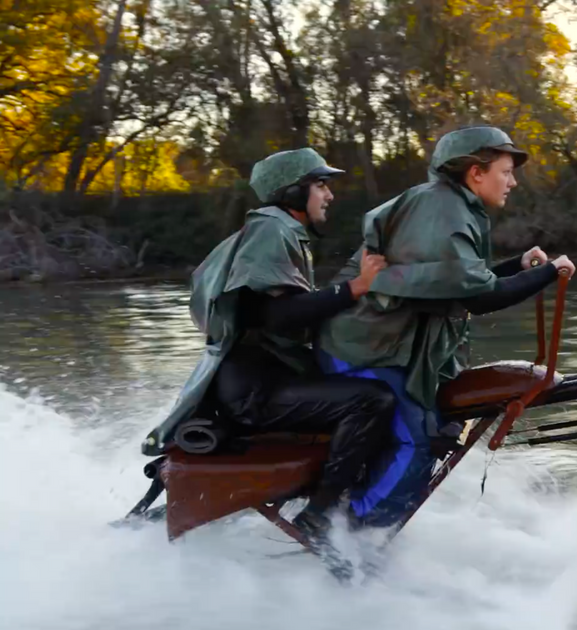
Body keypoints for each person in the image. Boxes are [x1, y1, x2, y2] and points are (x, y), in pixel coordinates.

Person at [316, 126, 576, 528]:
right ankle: (354, 535)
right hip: (362, 350)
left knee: (435, 433)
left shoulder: (446, 204)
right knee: (417, 442)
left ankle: (359, 520)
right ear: (476, 173)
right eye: (506, 172)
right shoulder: (444, 211)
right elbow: (478, 298)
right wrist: (549, 273)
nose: (512, 182)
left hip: (380, 346)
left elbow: (455, 283)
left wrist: (518, 267)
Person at [141, 147, 395, 542]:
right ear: (293, 192)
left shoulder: (280, 231)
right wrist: (356, 288)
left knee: (364, 387)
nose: (329, 195)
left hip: (262, 380)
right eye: (321, 185)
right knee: (372, 400)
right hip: (256, 392)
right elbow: (277, 315)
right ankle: (320, 515)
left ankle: (338, 502)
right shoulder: (272, 230)